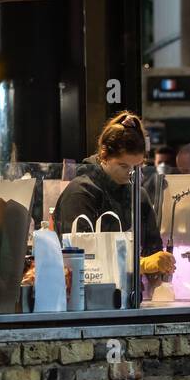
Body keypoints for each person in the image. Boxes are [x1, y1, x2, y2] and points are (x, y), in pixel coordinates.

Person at [54, 112, 176, 281]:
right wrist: (142, 265)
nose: (131, 173)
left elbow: (152, 250)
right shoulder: (80, 193)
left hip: (132, 298)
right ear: (104, 156)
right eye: (123, 165)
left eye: (137, 167)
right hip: (87, 297)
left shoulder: (139, 195)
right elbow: (82, 258)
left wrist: (161, 269)